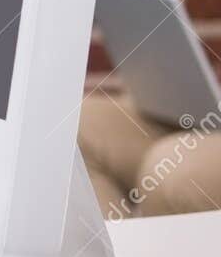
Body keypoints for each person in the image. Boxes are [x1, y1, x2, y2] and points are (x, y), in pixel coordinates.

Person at [78, 93, 221, 218]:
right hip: (201, 110)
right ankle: (120, 247)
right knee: (79, 123)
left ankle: (157, 248)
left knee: (169, 168)